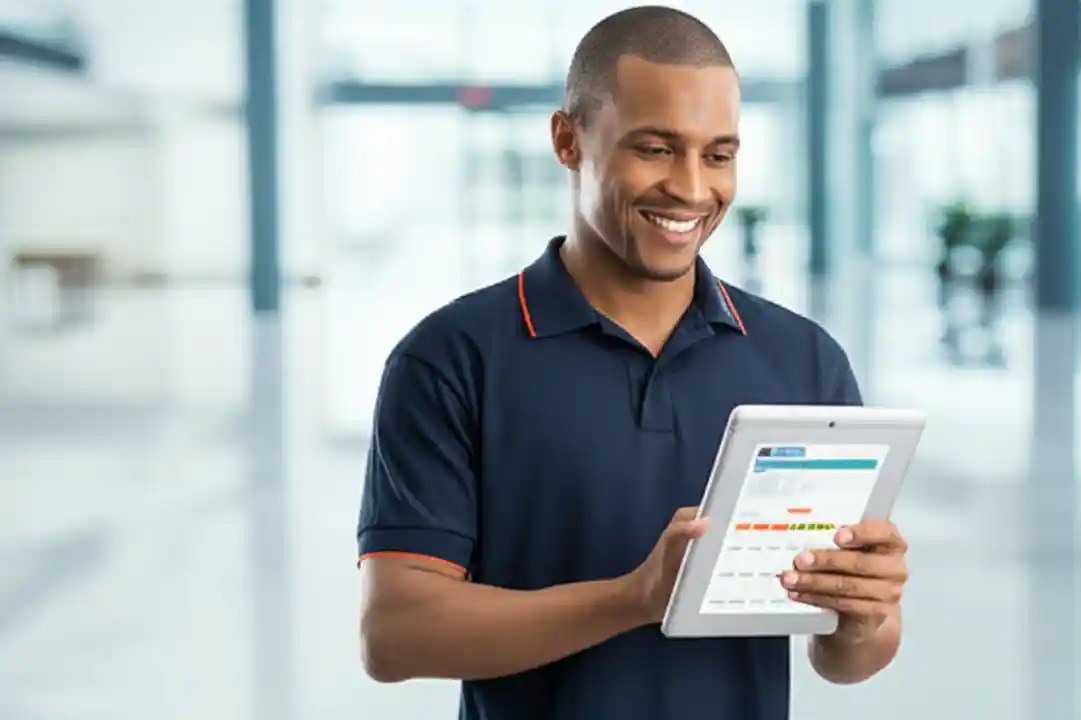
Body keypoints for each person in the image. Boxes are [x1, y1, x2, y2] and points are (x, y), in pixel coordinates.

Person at [357, 6, 910, 719]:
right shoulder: (451, 358)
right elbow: (396, 634)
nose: (690, 188)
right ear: (568, 139)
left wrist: (867, 613)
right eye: (654, 148)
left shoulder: (804, 361)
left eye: (718, 155)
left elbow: (847, 657)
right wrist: (638, 597)